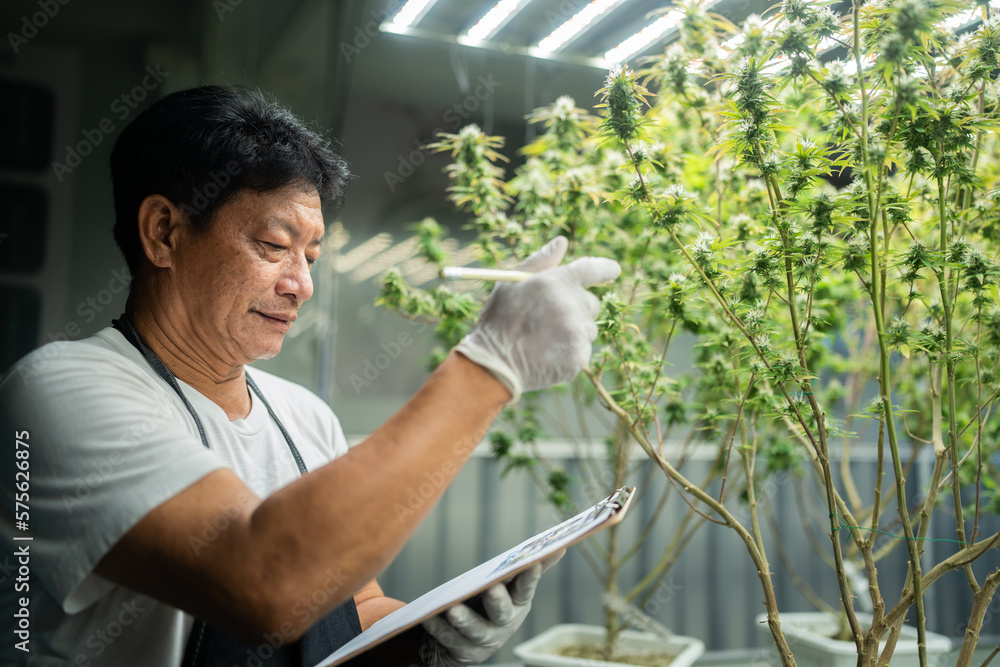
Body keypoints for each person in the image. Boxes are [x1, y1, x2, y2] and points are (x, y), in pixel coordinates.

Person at [0, 85, 620, 666]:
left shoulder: (303, 414)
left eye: (312, 256)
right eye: (273, 245)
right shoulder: (61, 389)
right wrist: (494, 363)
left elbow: (351, 608)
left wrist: (426, 640)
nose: (301, 285)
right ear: (164, 232)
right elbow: (264, 580)